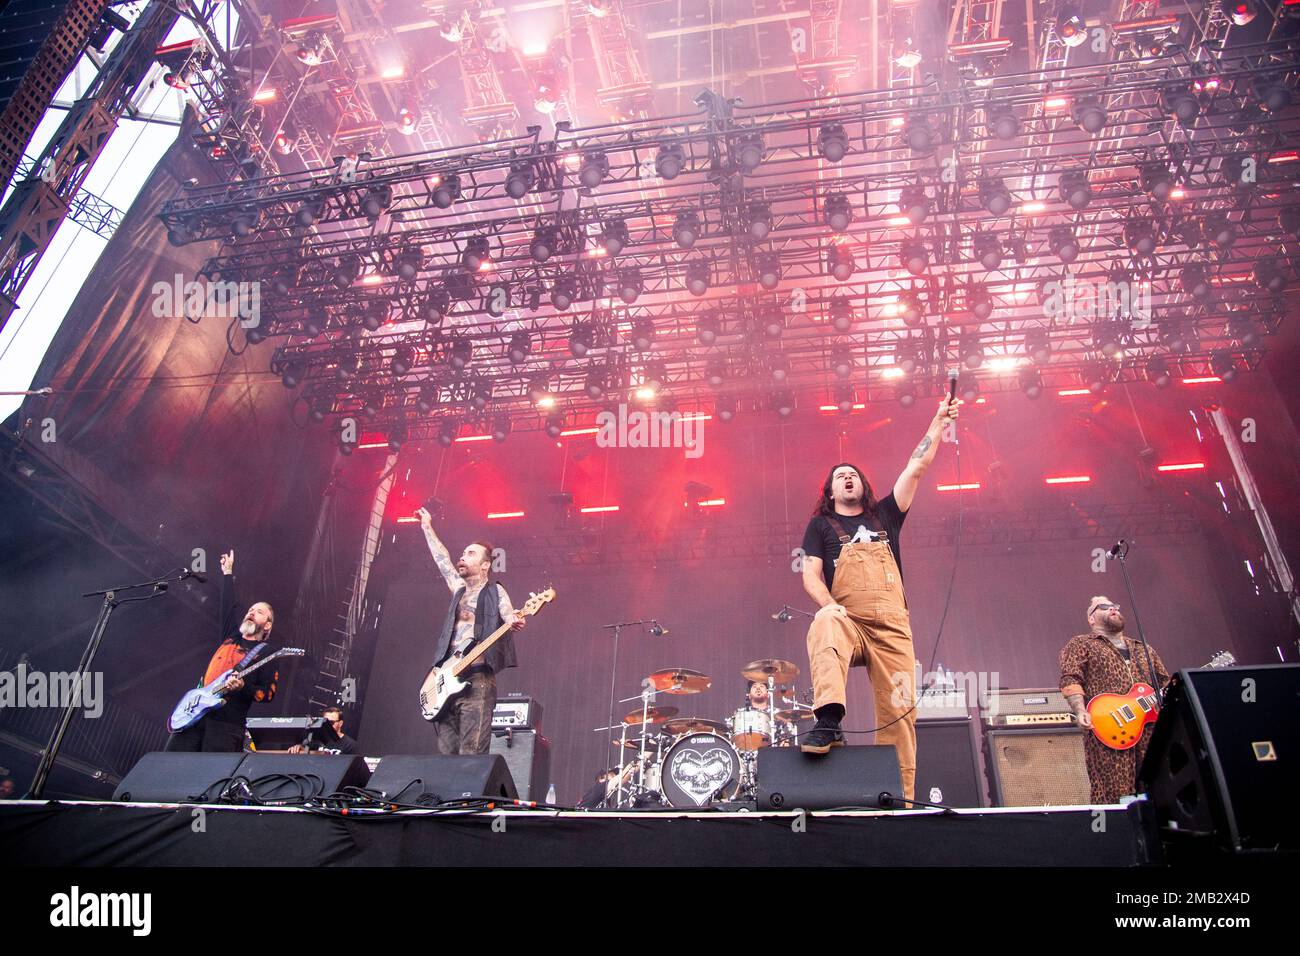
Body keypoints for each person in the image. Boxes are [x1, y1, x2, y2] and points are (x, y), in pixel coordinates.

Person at [798, 396, 960, 804]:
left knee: (900, 715)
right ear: (831, 490)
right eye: (841, 476)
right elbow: (809, 573)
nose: (848, 478)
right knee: (824, 624)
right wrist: (828, 603)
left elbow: (916, 466)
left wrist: (938, 421)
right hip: (848, 618)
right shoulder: (820, 525)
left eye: (854, 474)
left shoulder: (886, 515)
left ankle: (900, 801)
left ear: (863, 486)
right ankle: (830, 718)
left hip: (892, 626)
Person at [417, 507, 525, 755]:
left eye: (471, 553)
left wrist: (515, 620)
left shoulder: (496, 591)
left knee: (471, 755)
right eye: (463, 552)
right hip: (446, 679)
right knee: (447, 754)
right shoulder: (458, 588)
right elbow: (441, 559)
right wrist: (426, 525)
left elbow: (509, 615)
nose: (463, 557)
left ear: (485, 564)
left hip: (477, 679)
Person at [1059, 596, 1171, 804]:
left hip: (1149, 728)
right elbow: (1070, 678)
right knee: (1115, 793)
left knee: (1160, 788)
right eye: (1103, 606)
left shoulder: (1143, 649)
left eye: (1114, 606)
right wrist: (1080, 710)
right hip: (1109, 727)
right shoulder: (1082, 644)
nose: (1112, 608)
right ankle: (1117, 831)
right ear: (1091, 619)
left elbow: (1165, 685)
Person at [165, 550, 278, 752]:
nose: (251, 612)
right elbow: (227, 607)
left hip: (226, 726)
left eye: (259, 612)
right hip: (194, 715)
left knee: (208, 776)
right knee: (170, 766)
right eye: (251, 609)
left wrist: (243, 687)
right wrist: (227, 573)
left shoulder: (267, 653)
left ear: (267, 625)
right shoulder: (231, 637)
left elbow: (267, 694)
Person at [288, 705, 357, 755]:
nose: (328, 725)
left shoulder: (350, 745)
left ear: (340, 723)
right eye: (325, 722)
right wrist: (299, 747)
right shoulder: (316, 738)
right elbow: (306, 750)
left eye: (331, 722)